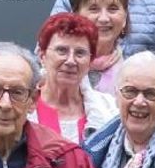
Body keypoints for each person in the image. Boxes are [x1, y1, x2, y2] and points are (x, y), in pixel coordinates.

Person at [31, 12, 116, 141]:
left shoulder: (109, 109)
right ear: (42, 56)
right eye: (62, 50)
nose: (71, 61)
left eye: (80, 53)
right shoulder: (21, 108)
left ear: (90, 61)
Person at [67, 0, 135, 95]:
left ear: (125, 17)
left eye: (112, 9)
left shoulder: (133, 75)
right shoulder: (58, 69)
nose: (104, 18)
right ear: (75, 15)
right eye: (94, 9)